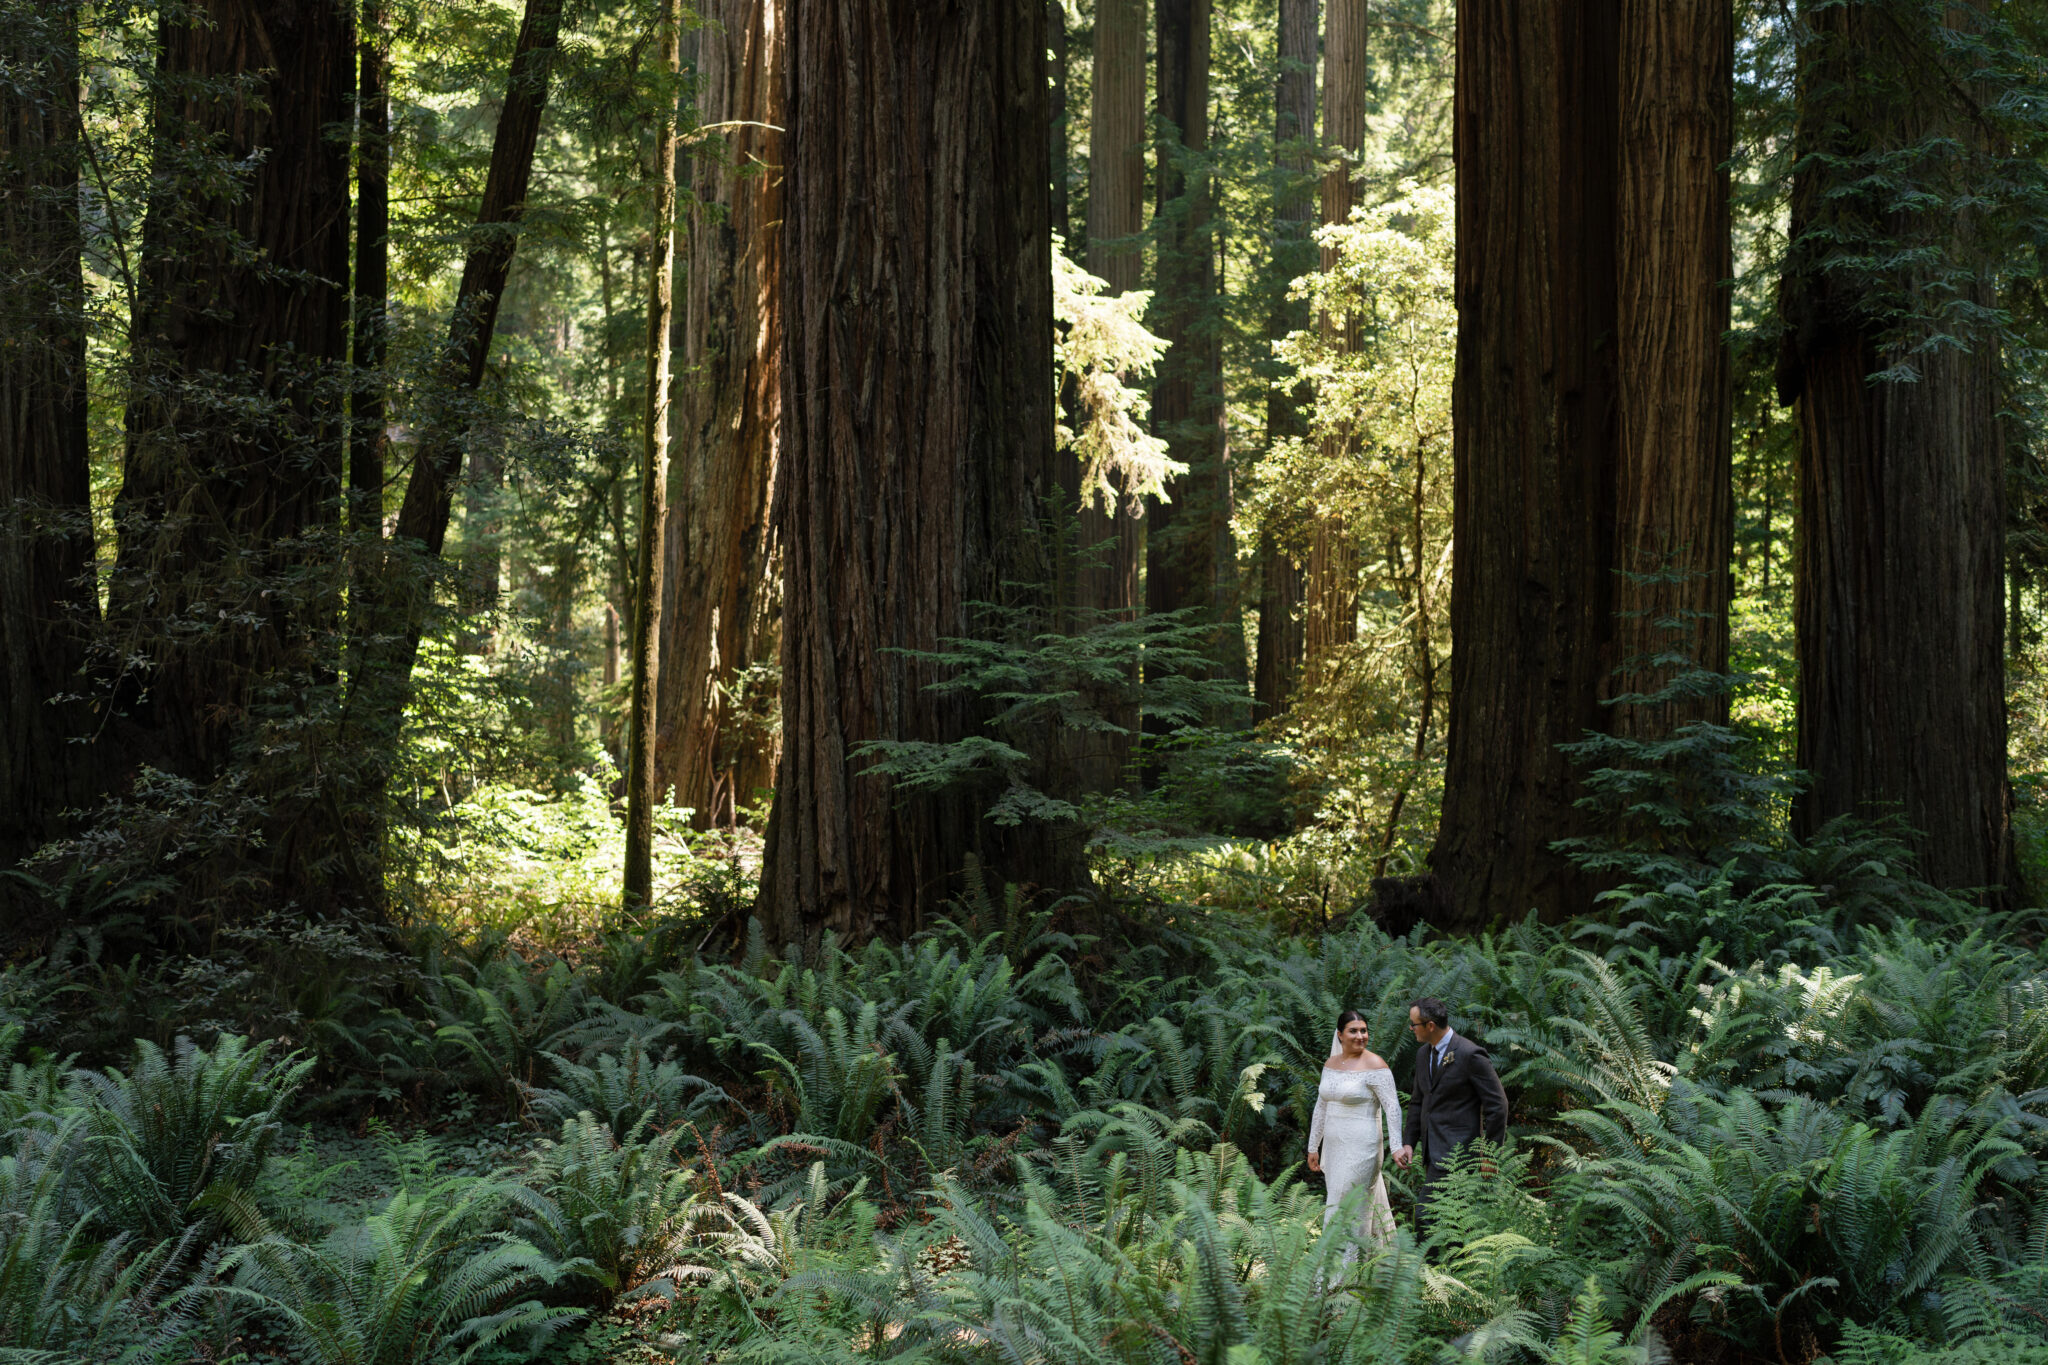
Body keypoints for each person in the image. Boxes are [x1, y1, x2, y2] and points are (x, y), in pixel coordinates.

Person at [1393, 996, 1509, 1238]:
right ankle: (1447, 1271)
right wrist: (1409, 1143)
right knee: (1449, 1220)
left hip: (1460, 1153)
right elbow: (1418, 1102)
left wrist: (1490, 1153)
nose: (1411, 1029)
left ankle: (1427, 1272)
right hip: (1431, 1151)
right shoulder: (1423, 1055)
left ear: (1430, 1026)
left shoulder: (1469, 1054)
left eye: (1414, 1024)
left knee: (1426, 1218)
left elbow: (1497, 1104)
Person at [1305, 1009, 1403, 1254]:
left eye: (1364, 1030)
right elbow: (1321, 1106)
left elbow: (1392, 1107)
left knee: (1353, 1205)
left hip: (1364, 1146)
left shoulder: (1376, 1065)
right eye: (1353, 1031)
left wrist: (1397, 1147)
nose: (1360, 1036)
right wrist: (1312, 1146)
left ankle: (1348, 1275)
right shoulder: (1331, 1064)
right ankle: (1333, 1267)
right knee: (1336, 1202)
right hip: (1335, 1147)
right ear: (1340, 1035)